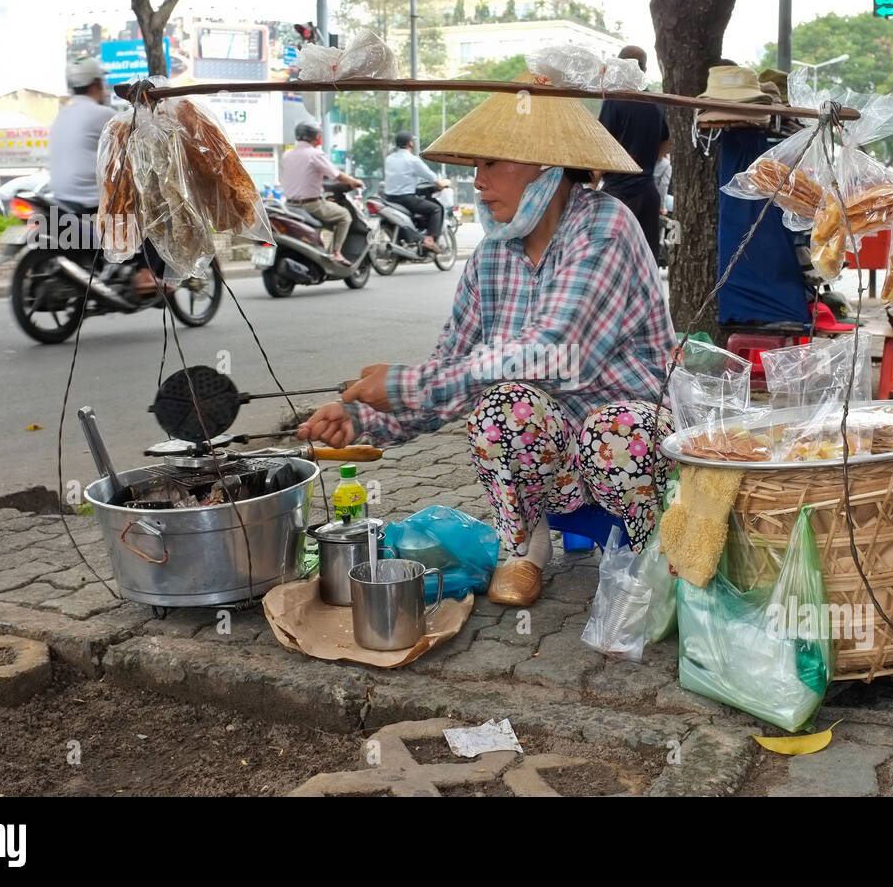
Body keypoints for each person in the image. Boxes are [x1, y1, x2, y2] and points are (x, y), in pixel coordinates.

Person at [297, 74, 675, 608]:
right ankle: (523, 549)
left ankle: (654, 556)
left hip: (627, 434)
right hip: (557, 446)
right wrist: (362, 418)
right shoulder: (493, 252)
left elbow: (554, 349)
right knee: (502, 406)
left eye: (491, 164)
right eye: (475, 166)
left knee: (615, 432)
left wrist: (404, 383)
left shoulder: (604, 226)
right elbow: (455, 366)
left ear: (545, 168)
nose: (477, 180)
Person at [49, 57, 163, 297]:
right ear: (95, 85)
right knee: (153, 212)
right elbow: (136, 138)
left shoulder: (61, 115)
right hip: (91, 202)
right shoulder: (101, 114)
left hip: (61, 200)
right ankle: (145, 273)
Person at [598, 44, 670, 265]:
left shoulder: (615, 100)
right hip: (648, 193)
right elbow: (666, 143)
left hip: (618, 195)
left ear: (619, 67)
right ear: (643, 71)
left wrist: (591, 184)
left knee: (611, 264)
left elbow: (601, 145)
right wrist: (645, 158)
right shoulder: (655, 103)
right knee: (645, 264)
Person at [282, 122, 364, 264]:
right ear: (316, 137)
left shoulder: (287, 154)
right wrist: (354, 181)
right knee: (344, 216)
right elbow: (337, 175)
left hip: (289, 205)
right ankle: (337, 252)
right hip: (312, 205)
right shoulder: (315, 154)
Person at [383, 131, 449, 253]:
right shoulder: (412, 160)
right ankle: (429, 240)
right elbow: (430, 175)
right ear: (410, 143)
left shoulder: (389, 159)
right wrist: (441, 184)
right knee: (435, 209)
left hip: (388, 199)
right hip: (405, 200)